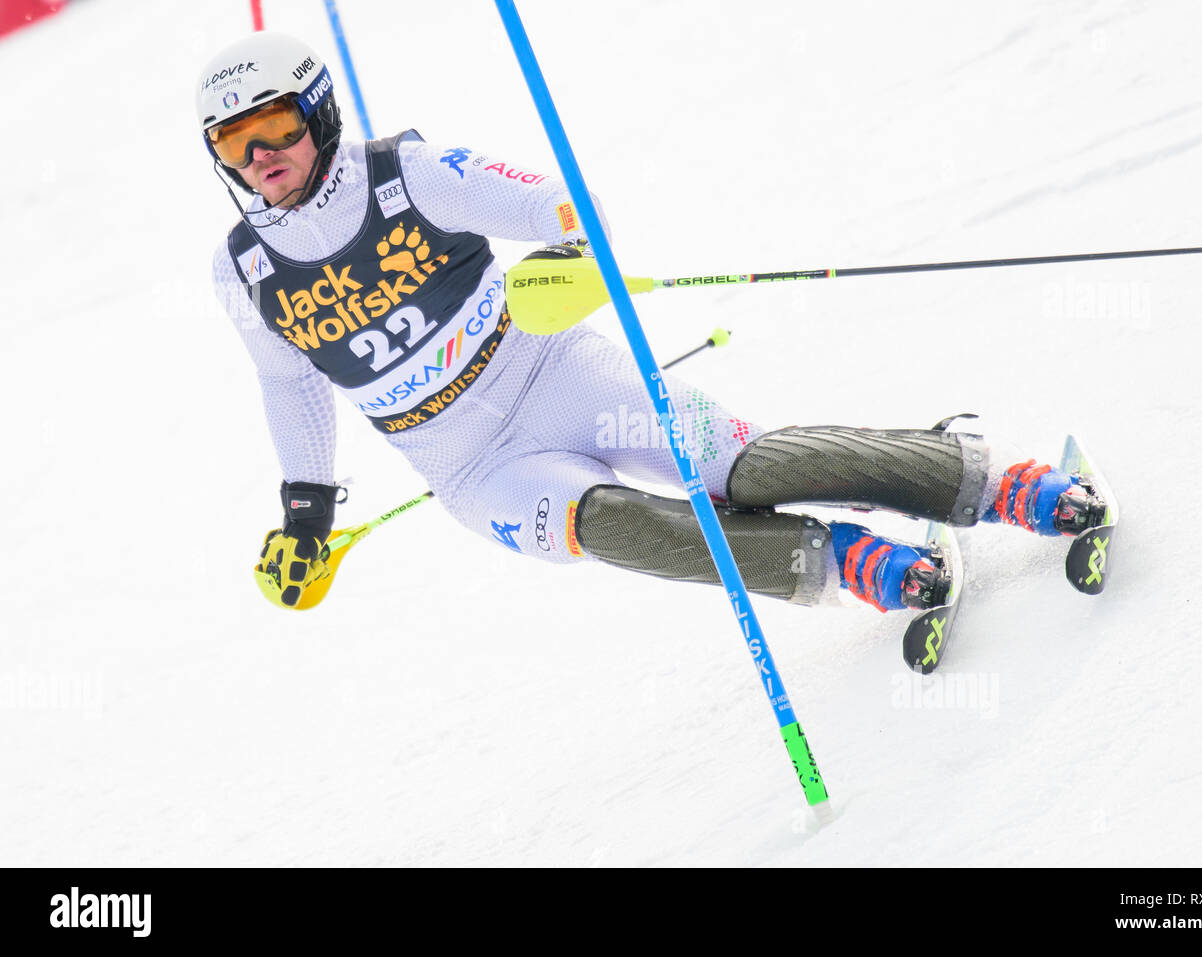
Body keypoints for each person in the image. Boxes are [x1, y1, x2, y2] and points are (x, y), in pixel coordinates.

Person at [200, 32, 1106, 615]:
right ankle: (848, 560)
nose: (262, 157)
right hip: (474, 469)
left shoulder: (410, 175)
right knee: (630, 528)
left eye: (275, 126)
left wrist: (567, 252)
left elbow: (563, 204)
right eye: (235, 144)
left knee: (735, 465)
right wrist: (306, 513)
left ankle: (993, 482)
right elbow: (288, 381)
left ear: (316, 111)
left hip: (556, 375)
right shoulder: (243, 268)